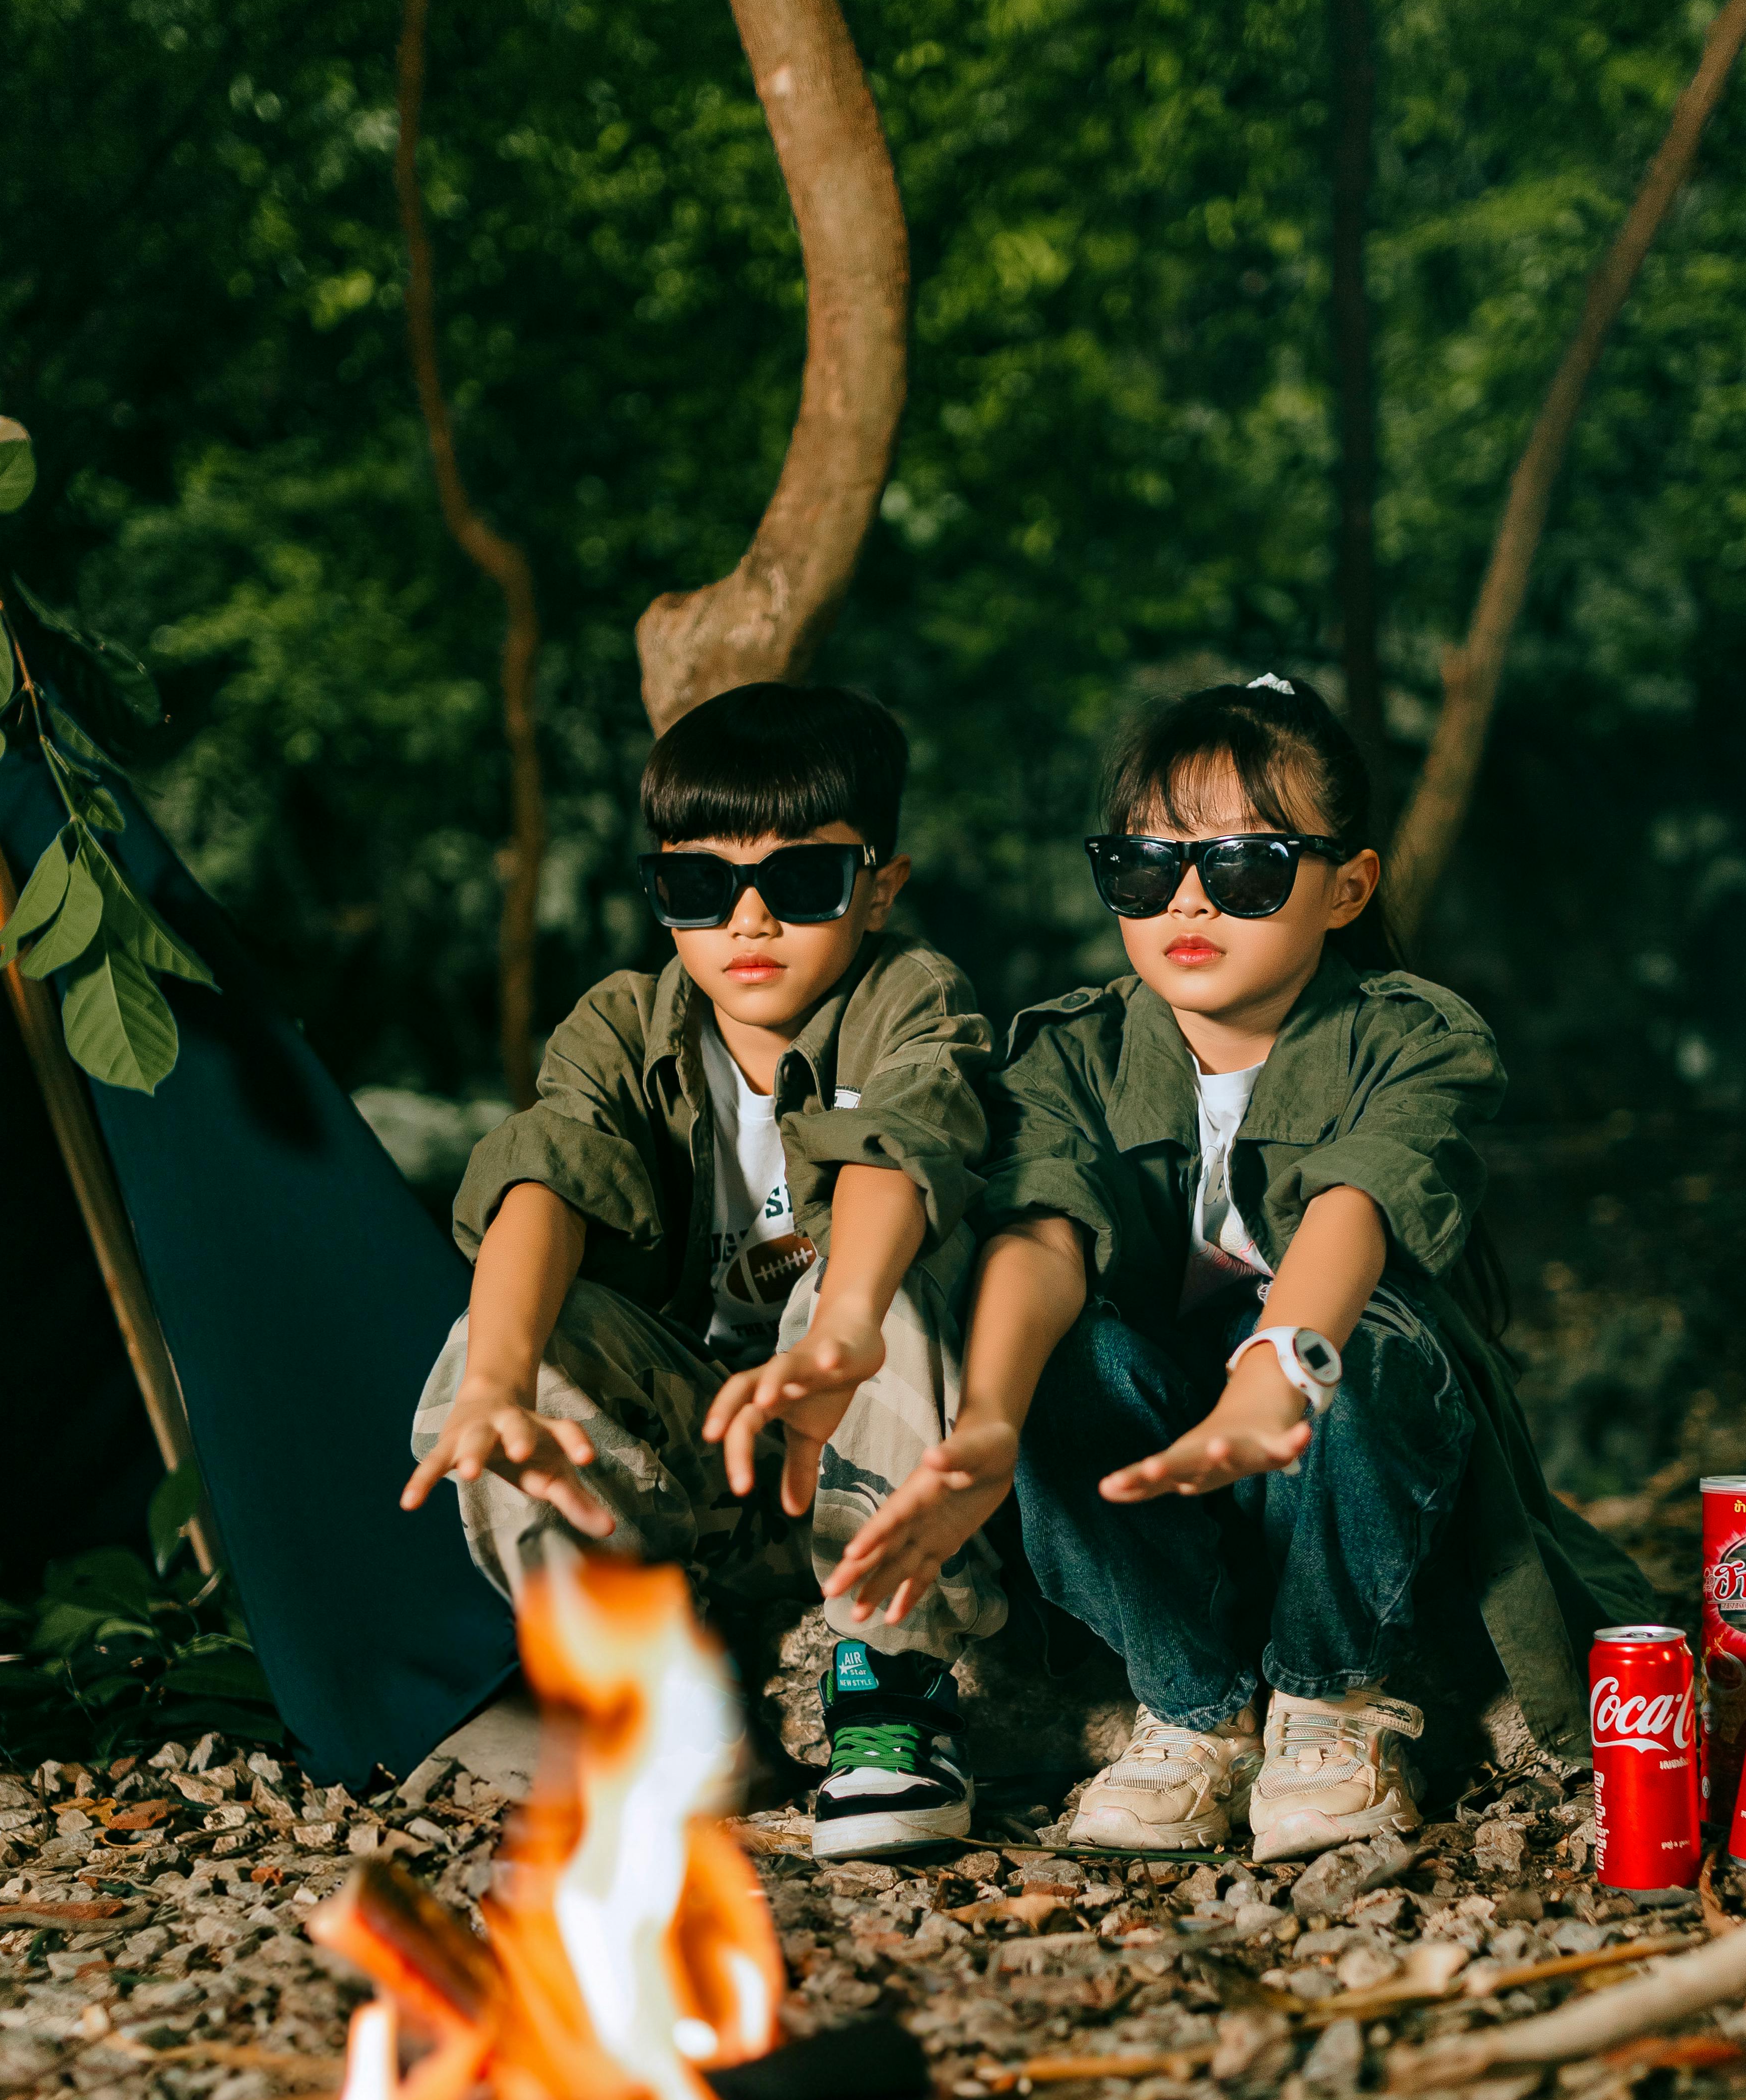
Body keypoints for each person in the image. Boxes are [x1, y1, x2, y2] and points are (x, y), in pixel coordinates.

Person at [828, 673, 1656, 1861]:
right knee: (1064, 1356)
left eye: (1245, 867)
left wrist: (1279, 1368)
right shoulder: (1067, 1051)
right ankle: (1192, 1713)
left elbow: (1356, 1203)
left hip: (1351, 1453)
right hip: (1153, 1457)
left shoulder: (1414, 1036)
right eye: (1143, 866)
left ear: (1346, 888)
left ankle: (1334, 1701)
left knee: (1364, 1346)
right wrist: (990, 1424)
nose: (1187, 900)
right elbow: (1042, 1230)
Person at [403, 684, 1005, 1859]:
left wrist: (843, 1328)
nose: (748, 920)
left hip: (864, 1440)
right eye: (700, 885)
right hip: (699, 1458)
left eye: (801, 881)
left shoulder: (908, 994)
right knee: (506, 1340)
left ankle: (892, 1697)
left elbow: (903, 1144)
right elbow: (545, 1176)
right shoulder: (624, 1024)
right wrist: (495, 1384)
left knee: (886, 1287)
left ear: (880, 887)